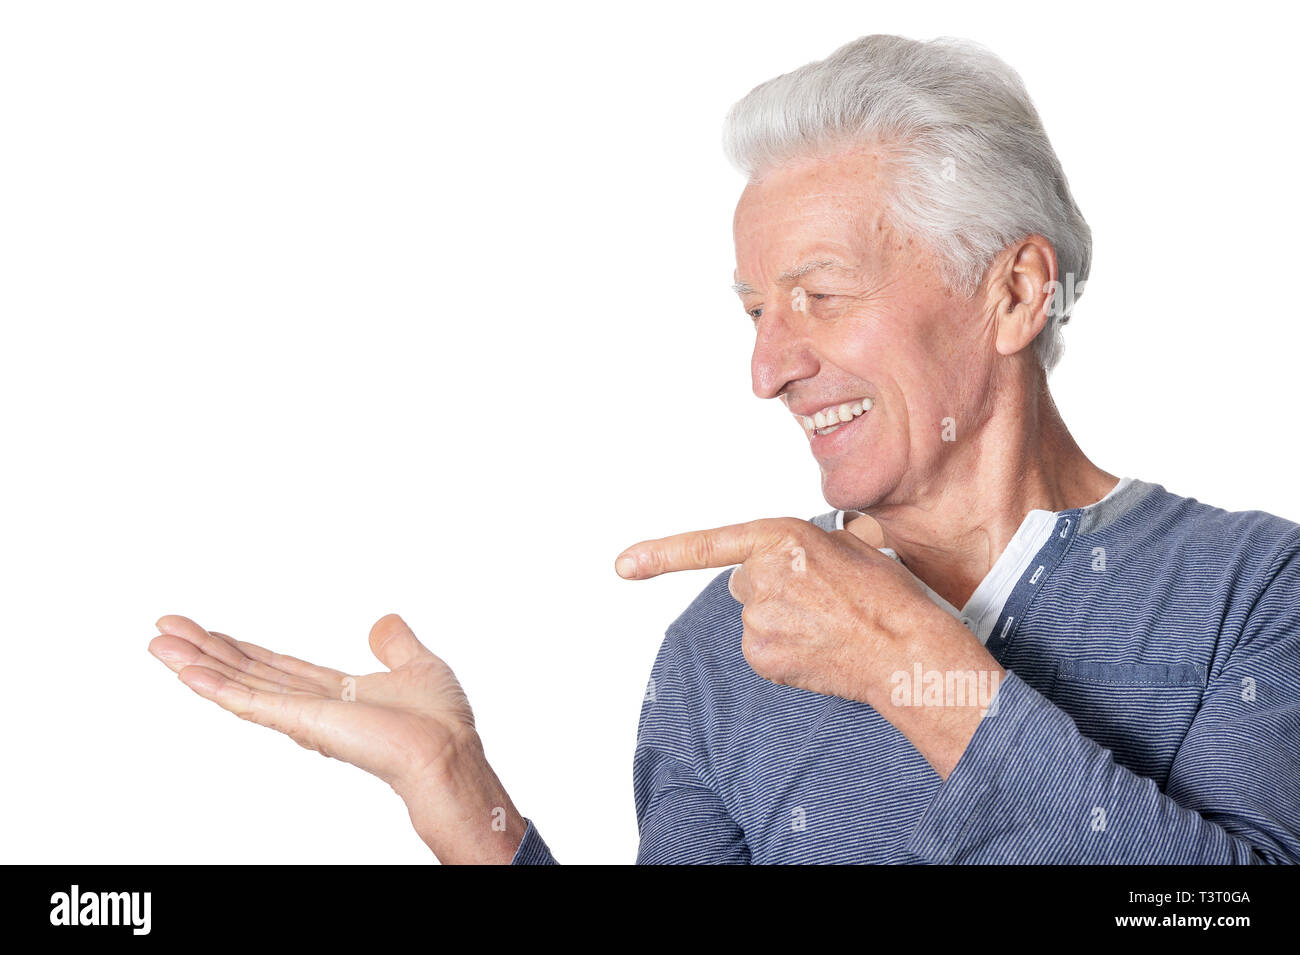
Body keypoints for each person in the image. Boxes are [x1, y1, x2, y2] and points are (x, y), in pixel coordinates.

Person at [148, 34, 1300, 864]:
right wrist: (467, 808)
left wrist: (917, 673)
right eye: (754, 309)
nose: (769, 367)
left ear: (1012, 291)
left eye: (817, 294)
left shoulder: (1255, 592)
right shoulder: (728, 643)